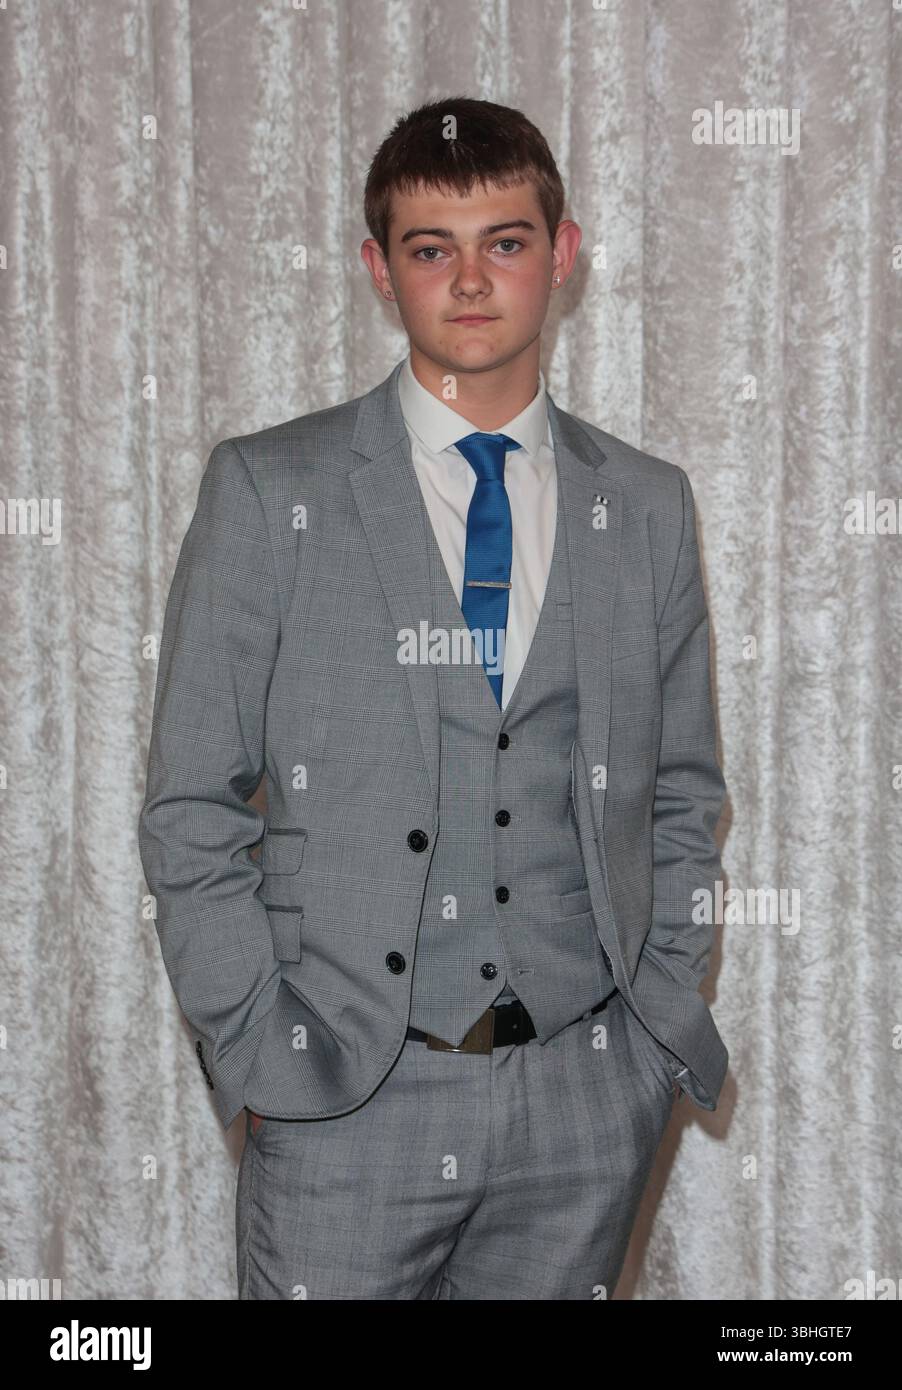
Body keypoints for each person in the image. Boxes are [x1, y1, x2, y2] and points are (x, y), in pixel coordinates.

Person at [138, 95, 729, 1301]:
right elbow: (191, 805)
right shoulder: (268, 488)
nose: (469, 280)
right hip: (345, 1095)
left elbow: (680, 793)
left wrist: (645, 1032)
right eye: (429, 249)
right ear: (378, 269)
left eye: (503, 242)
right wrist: (262, 1049)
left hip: (580, 1103)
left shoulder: (649, 506)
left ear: (559, 258)